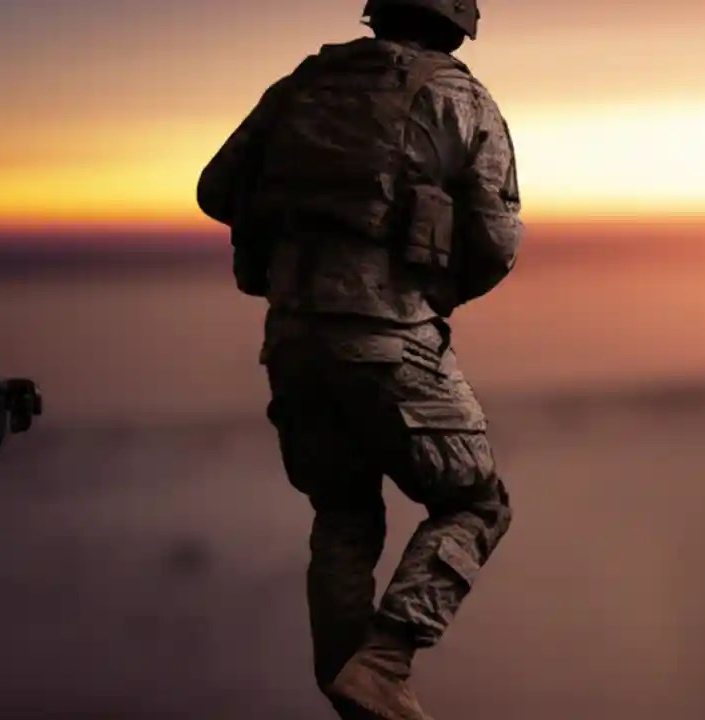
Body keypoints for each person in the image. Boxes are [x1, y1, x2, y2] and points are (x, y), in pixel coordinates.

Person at [196, 1, 522, 717]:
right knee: (475, 502)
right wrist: (428, 280)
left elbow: (214, 190)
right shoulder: (459, 96)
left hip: (292, 339)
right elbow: (497, 243)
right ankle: (384, 662)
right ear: (456, 25)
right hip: (391, 341)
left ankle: (354, 695)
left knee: (343, 512)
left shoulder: (301, 85)